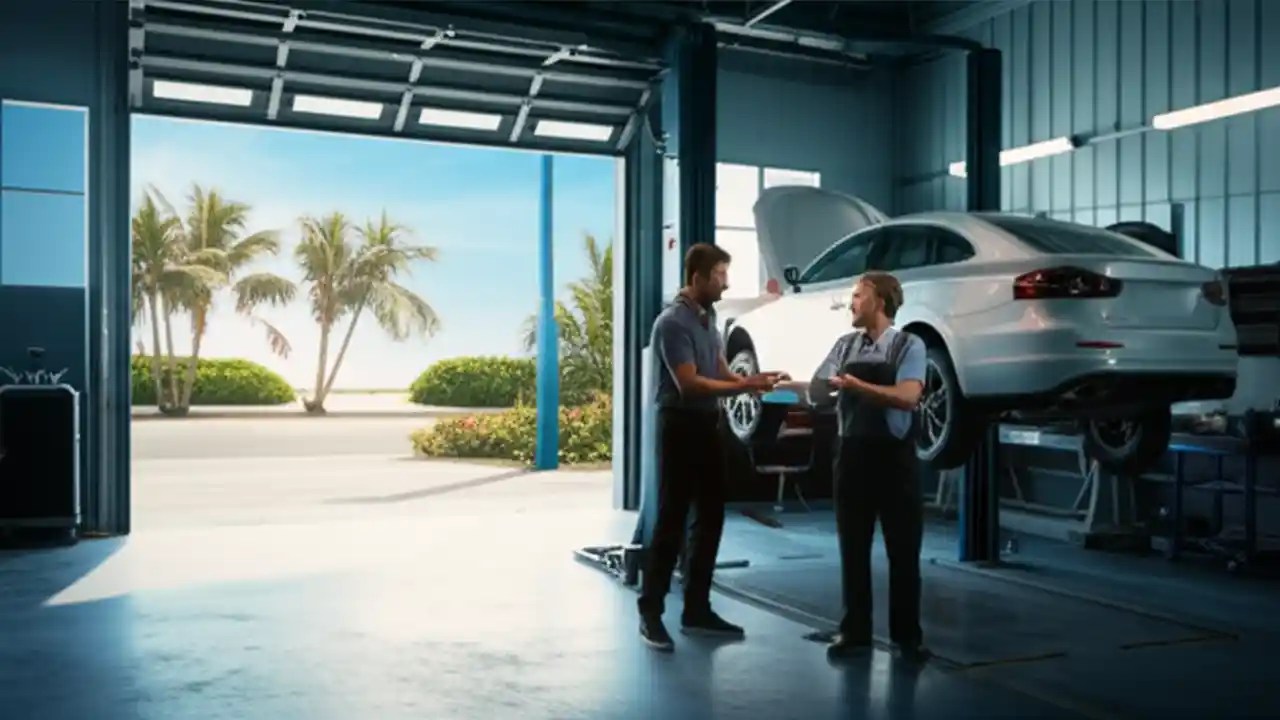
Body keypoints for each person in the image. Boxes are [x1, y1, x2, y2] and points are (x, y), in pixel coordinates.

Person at [638, 242, 785, 653]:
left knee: (711, 516)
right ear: (698, 277)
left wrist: (752, 381)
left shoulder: (709, 318)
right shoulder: (672, 323)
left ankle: (697, 609)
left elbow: (718, 369)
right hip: (678, 424)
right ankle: (651, 614)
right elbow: (689, 384)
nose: (726, 283)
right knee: (671, 518)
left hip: (707, 424)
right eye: (720, 275)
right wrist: (743, 385)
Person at [807, 271, 931, 663]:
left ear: (879, 301)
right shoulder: (844, 345)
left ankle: (907, 638)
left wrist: (857, 387)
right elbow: (817, 388)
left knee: (903, 551)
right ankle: (854, 632)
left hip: (895, 459)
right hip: (851, 457)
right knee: (853, 548)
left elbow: (908, 396)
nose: (852, 303)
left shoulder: (909, 345)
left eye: (858, 295)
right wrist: (820, 386)